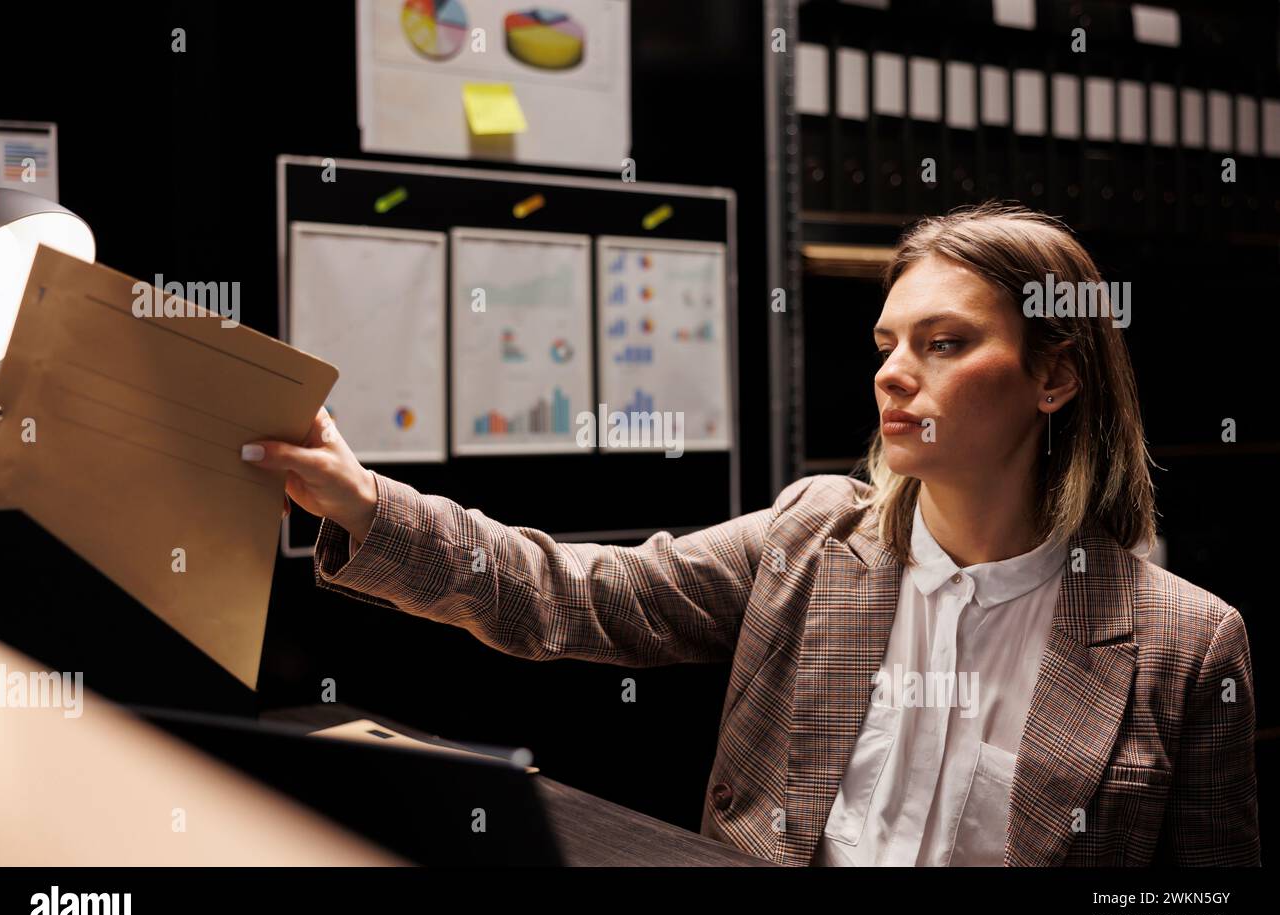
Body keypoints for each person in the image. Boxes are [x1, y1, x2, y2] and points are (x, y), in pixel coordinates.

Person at [242, 201, 1259, 866]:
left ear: (1054, 375)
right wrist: (363, 500)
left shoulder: (1183, 639)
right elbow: (567, 594)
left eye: (944, 343)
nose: (892, 372)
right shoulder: (809, 537)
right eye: (886, 343)